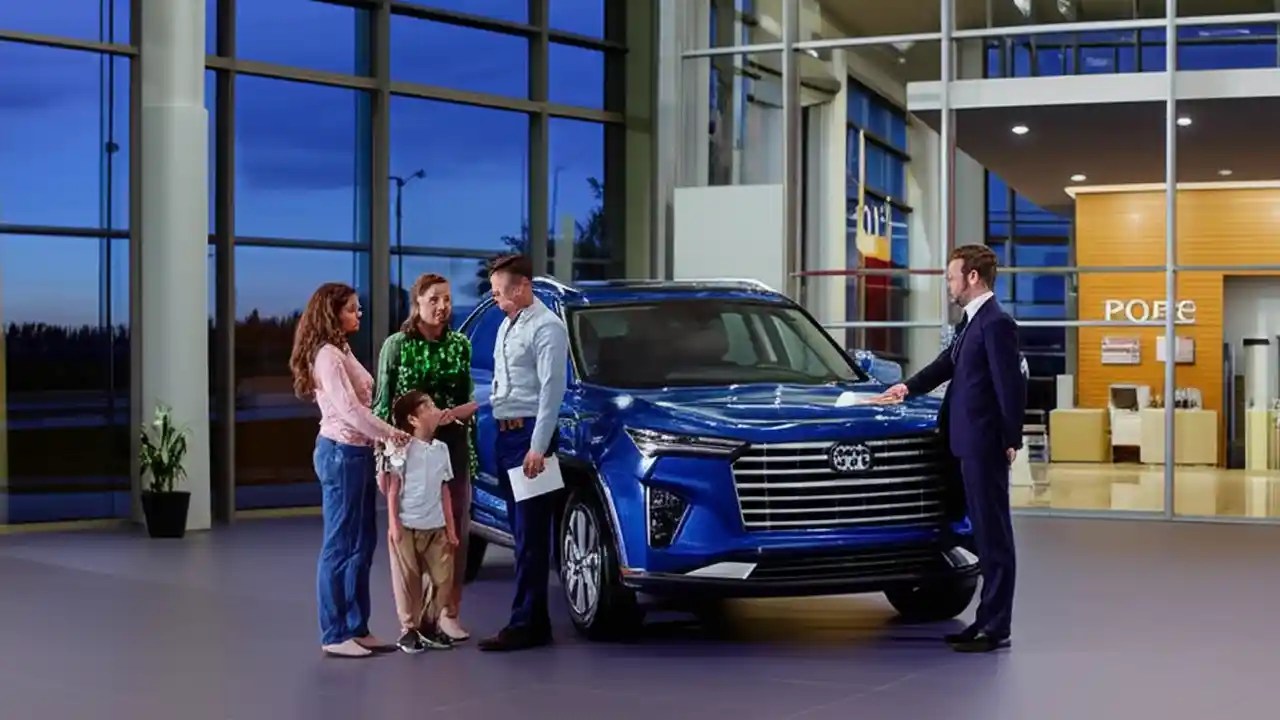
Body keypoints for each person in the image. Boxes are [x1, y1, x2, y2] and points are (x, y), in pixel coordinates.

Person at [877, 244, 1026, 653]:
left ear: (972, 277)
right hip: (966, 442)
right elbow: (948, 363)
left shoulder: (996, 324)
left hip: (984, 445)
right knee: (981, 531)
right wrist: (907, 387)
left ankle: (996, 627)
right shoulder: (971, 323)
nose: (948, 284)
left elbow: (1008, 385)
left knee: (994, 538)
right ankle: (984, 620)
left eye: (951, 277)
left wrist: (1011, 439)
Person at [289, 282, 411, 659]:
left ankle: (358, 627)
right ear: (333, 313)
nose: (359, 314)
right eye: (352, 309)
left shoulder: (342, 348)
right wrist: (391, 434)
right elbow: (350, 412)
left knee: (362, 544)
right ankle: (334, 632)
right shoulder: (326, 355)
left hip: (357, 453)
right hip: (340, 454)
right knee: (339, 545)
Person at [373, 272, 478, 643]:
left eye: (447, 299)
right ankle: (410, 621)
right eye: (433, 299)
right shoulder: (397, 346)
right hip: (406, 447)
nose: (442, 306)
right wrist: (383, 457)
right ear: (417, 303)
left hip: (451, 445)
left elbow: (469, 398)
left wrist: (465, 436)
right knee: (405, 536)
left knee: (452, 534)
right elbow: (383, 405)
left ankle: (447, 612)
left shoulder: (461, 344)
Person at [476, 253, 569, 653]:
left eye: (500, 292)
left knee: (531, 535)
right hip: (506, 435)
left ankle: (525, 624)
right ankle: (537, 621)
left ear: (523, 286)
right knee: (519, 533)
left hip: (532, 436)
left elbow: (552, 391)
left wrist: (537, 446)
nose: (496, 298)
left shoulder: (548, 328)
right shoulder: (506, 325)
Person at [382, 390, 461, 654]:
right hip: (406, 524)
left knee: (442, 578)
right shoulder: (403, 448)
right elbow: (393, 487)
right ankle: (409, 629)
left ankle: (429, 626)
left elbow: (444, 490)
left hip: (435, 525)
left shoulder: (441, 450)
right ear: (413, 419)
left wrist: (450, 528)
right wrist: (393, 523)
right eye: (428, 406)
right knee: (407, 579)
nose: (435, 409)